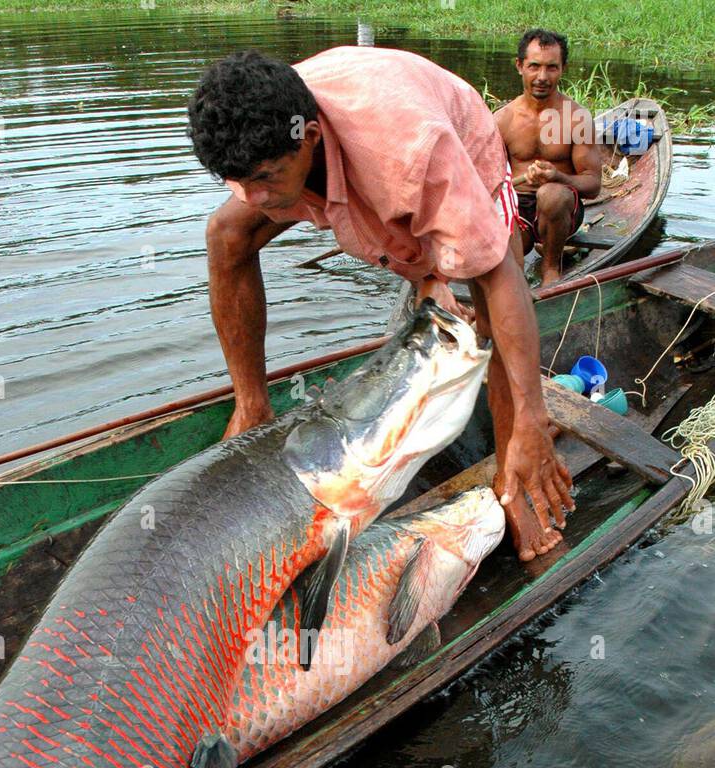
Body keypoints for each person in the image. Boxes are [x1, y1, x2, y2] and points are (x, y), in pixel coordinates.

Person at [188, 46, 573, 562]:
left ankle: (513, 477)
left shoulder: (414, 152)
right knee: (227, 235)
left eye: (266, 178)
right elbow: (251, 197)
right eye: (239, 181)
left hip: (457, 144)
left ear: (310, 137)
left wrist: (532, 417)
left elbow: (500, 276)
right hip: (363, 153)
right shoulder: (255, 133)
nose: (254, 197)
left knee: (488, 281)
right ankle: (252, 405)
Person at [495, 29, 603, 287]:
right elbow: (490, 183)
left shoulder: (576, 117)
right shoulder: (501, 120)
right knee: (500, 260)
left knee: (551, 195)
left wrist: (558, 177)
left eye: (551, 68)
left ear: (563, 68)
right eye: (534, 66)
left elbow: (593, 185)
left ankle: (551, 269)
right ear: (519, 66)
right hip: (518, 210)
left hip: (561, 210)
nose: (542, 77)